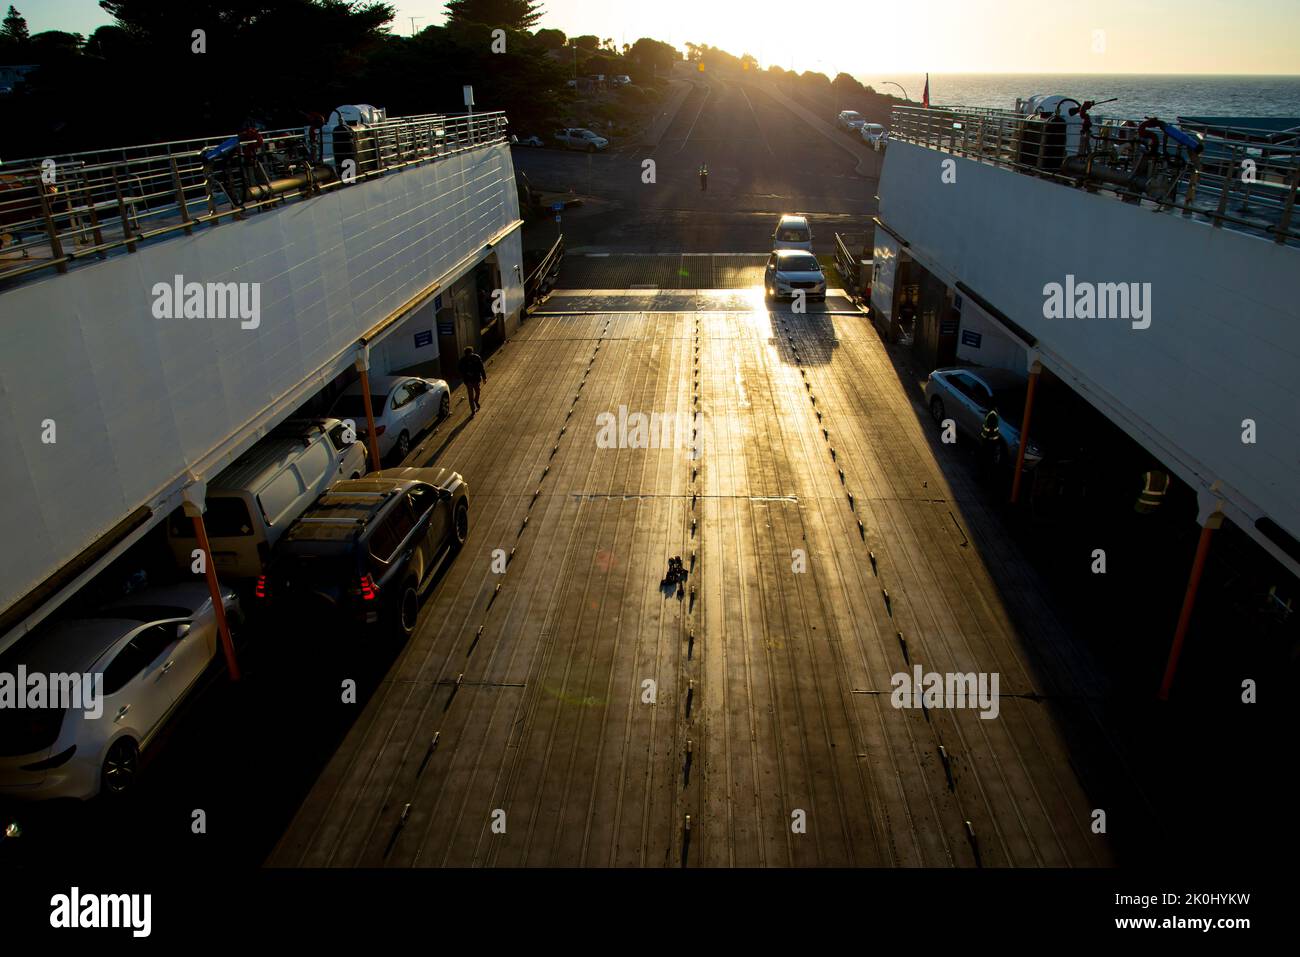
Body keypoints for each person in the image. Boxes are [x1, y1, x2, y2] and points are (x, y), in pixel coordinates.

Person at [458, 346, 487, 415]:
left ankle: (476, 401)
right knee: (470, 395)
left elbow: (481, 368)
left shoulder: (477, 358)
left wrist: (484, 378)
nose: (469, 355)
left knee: (478, 392)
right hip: (468, 381)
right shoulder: (463, 361)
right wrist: (466, 373)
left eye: (470, 354)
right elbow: (460, 370)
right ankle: (473, 410)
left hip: (476, 379)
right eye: (468, 354)